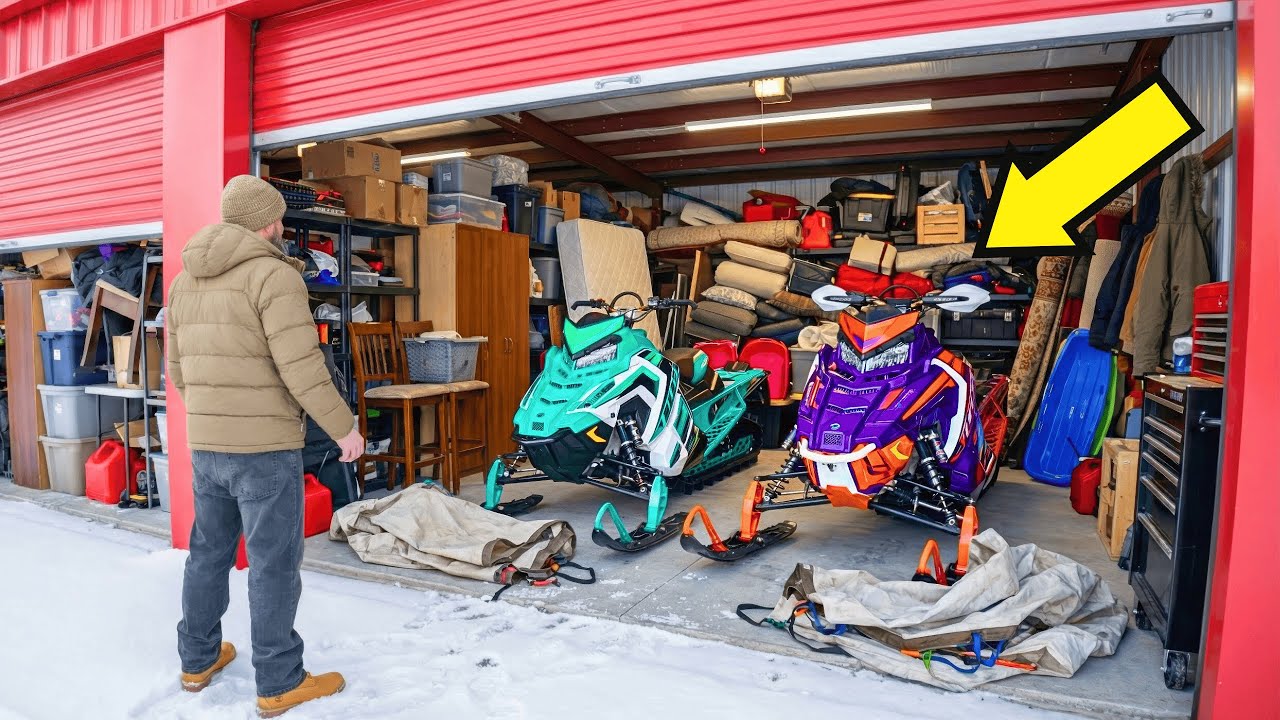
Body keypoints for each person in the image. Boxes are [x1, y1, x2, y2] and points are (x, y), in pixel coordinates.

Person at [167, 175, 364, 717]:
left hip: (207, 446)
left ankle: (197, 660)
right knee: (273, 562)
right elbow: (303, 370)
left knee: (207, 554)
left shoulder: (186, 280)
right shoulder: (274, 277)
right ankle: (279, 681)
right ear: (269, 223)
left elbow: (177, 371)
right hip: (264, 449)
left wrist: (213, 416)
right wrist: (344, 428)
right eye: (279, 219)